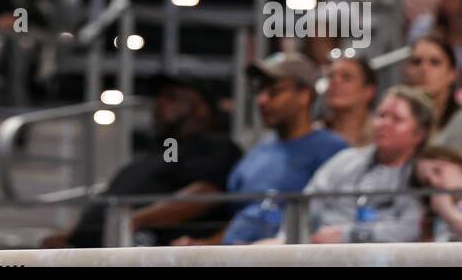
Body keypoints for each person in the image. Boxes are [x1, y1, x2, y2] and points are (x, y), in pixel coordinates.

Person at [44, 76, 242, 248]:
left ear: (202, 107)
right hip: (97, 247)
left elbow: (204, 195)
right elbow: (110, 197)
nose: (160, 104)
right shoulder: (158, 153)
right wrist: (71, 233)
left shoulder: (216, 146)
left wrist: (132, 221)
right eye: (160, 97)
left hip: (144, 248)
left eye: (172, 97)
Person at [173, 53, 347, 246]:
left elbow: (334, 220)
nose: (262, 100)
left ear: (304, 96)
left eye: (274, 91)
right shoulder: (255, 153)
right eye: (259, 91)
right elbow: (243, 220)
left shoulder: (333, 151)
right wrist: (205, 246)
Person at [292, 86, 433, 244]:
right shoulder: (345, 160)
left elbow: (410, 230)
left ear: (419, 133)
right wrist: (289, 240)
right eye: (381, 115)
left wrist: (348, 235)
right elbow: (306, 206)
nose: (384, 123)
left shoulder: (422, 175)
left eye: (396, 119)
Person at [404, 35, 462, 151]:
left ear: (452, 74)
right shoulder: (394, 121)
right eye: (416, 62)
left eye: (435, 62)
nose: (423, 69)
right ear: (406, 71)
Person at [320, 56, 377, 147]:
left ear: (368, 92)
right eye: (330, 76)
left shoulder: (382, 134)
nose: (335, 81)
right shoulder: (312, 135)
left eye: (347, 77)